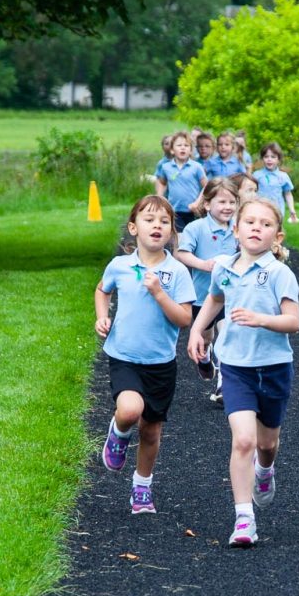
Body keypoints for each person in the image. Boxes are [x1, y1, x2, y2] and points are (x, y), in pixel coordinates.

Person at [187, 196, 299, 548]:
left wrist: (261, 319)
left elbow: (293, 322)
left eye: (265, 224)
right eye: (249, 222)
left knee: (267, 444)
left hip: (274, 368)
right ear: (235, 230)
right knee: (244, 440)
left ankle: (265, 471)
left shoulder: (280, 273)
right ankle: (244, 518)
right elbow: (216, 298)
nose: (256, 228)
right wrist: (197, 329)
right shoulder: (224, 267)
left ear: (277, 236)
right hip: (235, 367)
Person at [94, 195, 195, 514]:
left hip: (160, 364)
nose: (157, 226)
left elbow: (184, 318)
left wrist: (159, 293)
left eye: (164, 221)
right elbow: (102, 289)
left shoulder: (177, 272)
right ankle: (119, 432)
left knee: (151, 430)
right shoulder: (120, 266)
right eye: (150, 220)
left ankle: (142, 486)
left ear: (171, 232)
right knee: (129, 409)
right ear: (134, 228)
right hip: (124, 354)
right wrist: (102, 315)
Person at [175, 178, 239, 383]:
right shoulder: (196, 228)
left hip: (231, 296)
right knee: (207, 336)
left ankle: (224, 383)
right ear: (207, 204)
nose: (227, 207)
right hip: (202, 296)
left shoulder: (238, 229)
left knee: (227, 333)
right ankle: (205, 357)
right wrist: (204, 264)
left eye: (232, 202)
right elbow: (182, 254)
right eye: (222, 202)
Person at [155, 129, 207, 233]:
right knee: (178, 237)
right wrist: (160, 198)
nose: (183, 148)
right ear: (172, 150)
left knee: (192, 236)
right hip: (174, 210)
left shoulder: (196, 167)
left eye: (186, 145)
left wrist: (198, 202)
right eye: (179, 145)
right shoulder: (166, 167)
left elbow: (207, 186)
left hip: (192, 210)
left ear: (191, 150)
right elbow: (161, 182)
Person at [251, 143, 297, 224]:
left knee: (275, 230)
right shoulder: (257, 175)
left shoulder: (283, 176)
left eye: (273, 157)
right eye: (266, 157)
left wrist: (292, 210)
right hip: (260, 209)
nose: (269, 159)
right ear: (262, 159)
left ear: (278, 159)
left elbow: (288, 194)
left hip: (277, 210)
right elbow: (251, 192)